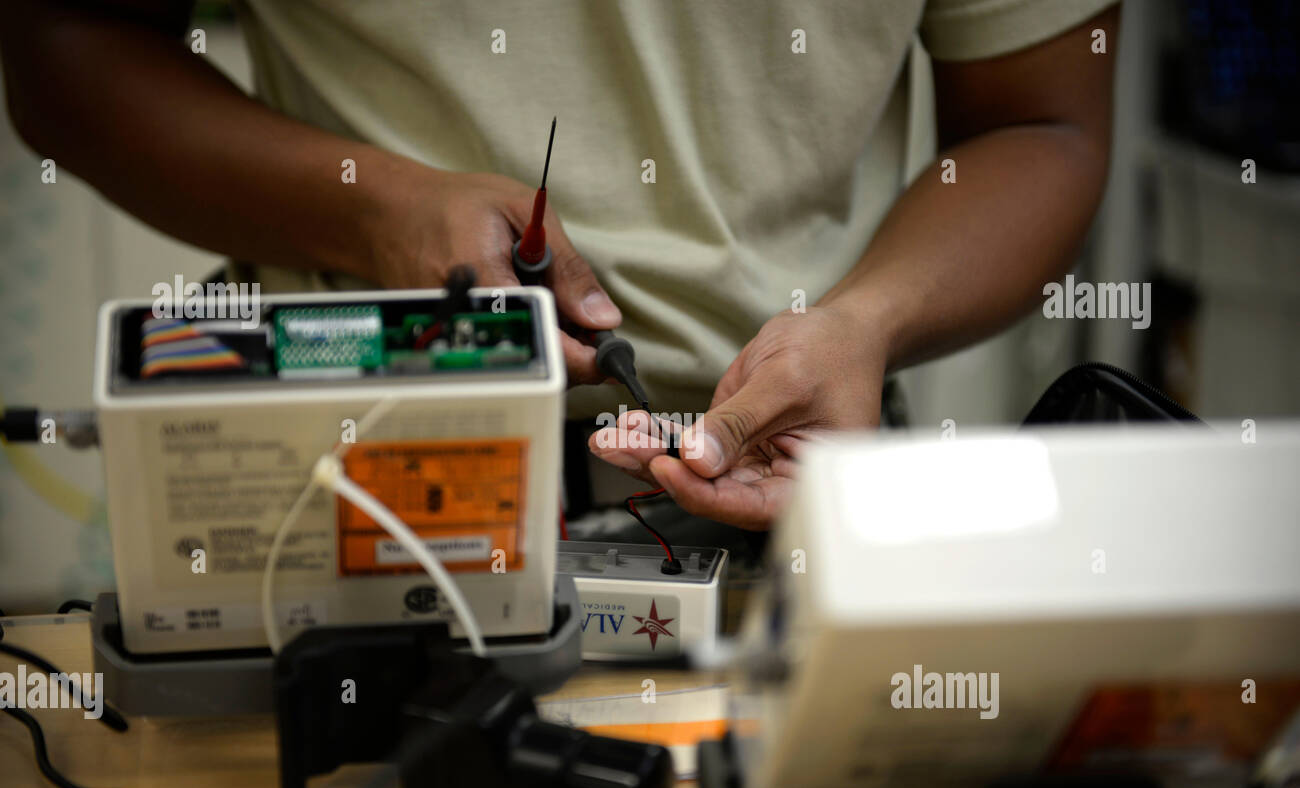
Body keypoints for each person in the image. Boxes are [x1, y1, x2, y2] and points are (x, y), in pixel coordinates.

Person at [2, 0, 1119, 530]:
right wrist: (378, 213)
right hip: (339, 493)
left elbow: (1044, 126)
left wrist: (863, 324)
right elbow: (64, 50)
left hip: (793, 503)